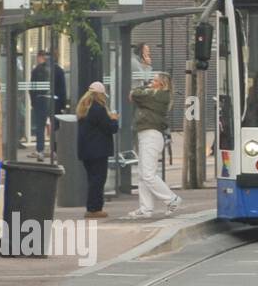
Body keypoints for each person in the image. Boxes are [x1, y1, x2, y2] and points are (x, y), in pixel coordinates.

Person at [128, 73, 181, 218]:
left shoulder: (160, 96)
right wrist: (143, 90)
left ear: (162, 84)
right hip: (146, 135)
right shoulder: (154, 94)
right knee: (143, 175)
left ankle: (172, 199)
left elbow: (135, 94)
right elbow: (136, 95)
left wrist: (141, 90)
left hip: (151, 136)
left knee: (148, 175)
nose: (152, 82)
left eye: (155, 80)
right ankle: (146, 209)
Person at [76, 82, 119, 219]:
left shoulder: (83, 108)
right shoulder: (98, 109)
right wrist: (114, 119)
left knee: (92, 178)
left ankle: (91, 207)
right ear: (100, 95)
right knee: (98, 179)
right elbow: (110, 128)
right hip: (98, 150)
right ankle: (95, 209)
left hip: (86, 150)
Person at [29, 50, 67, 160]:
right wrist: (62, 105)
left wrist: (34, 102)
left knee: (40, 128)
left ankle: (40, 151)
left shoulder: (37, 70)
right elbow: (62, 89)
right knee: (54, 127)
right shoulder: (59, 70)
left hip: (40, 102)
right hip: (55, 103)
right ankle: (54, 151)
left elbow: (32, 88)